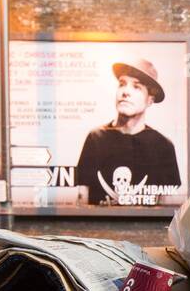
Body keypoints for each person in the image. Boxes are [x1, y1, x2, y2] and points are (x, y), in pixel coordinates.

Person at [76, 58, 181, 205]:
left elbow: (168, 205)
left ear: (150, 99)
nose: (125, 92)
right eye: (122, 84)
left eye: (136, 87)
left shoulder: (163, 146)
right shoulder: (96, 138)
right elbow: (82, 198)